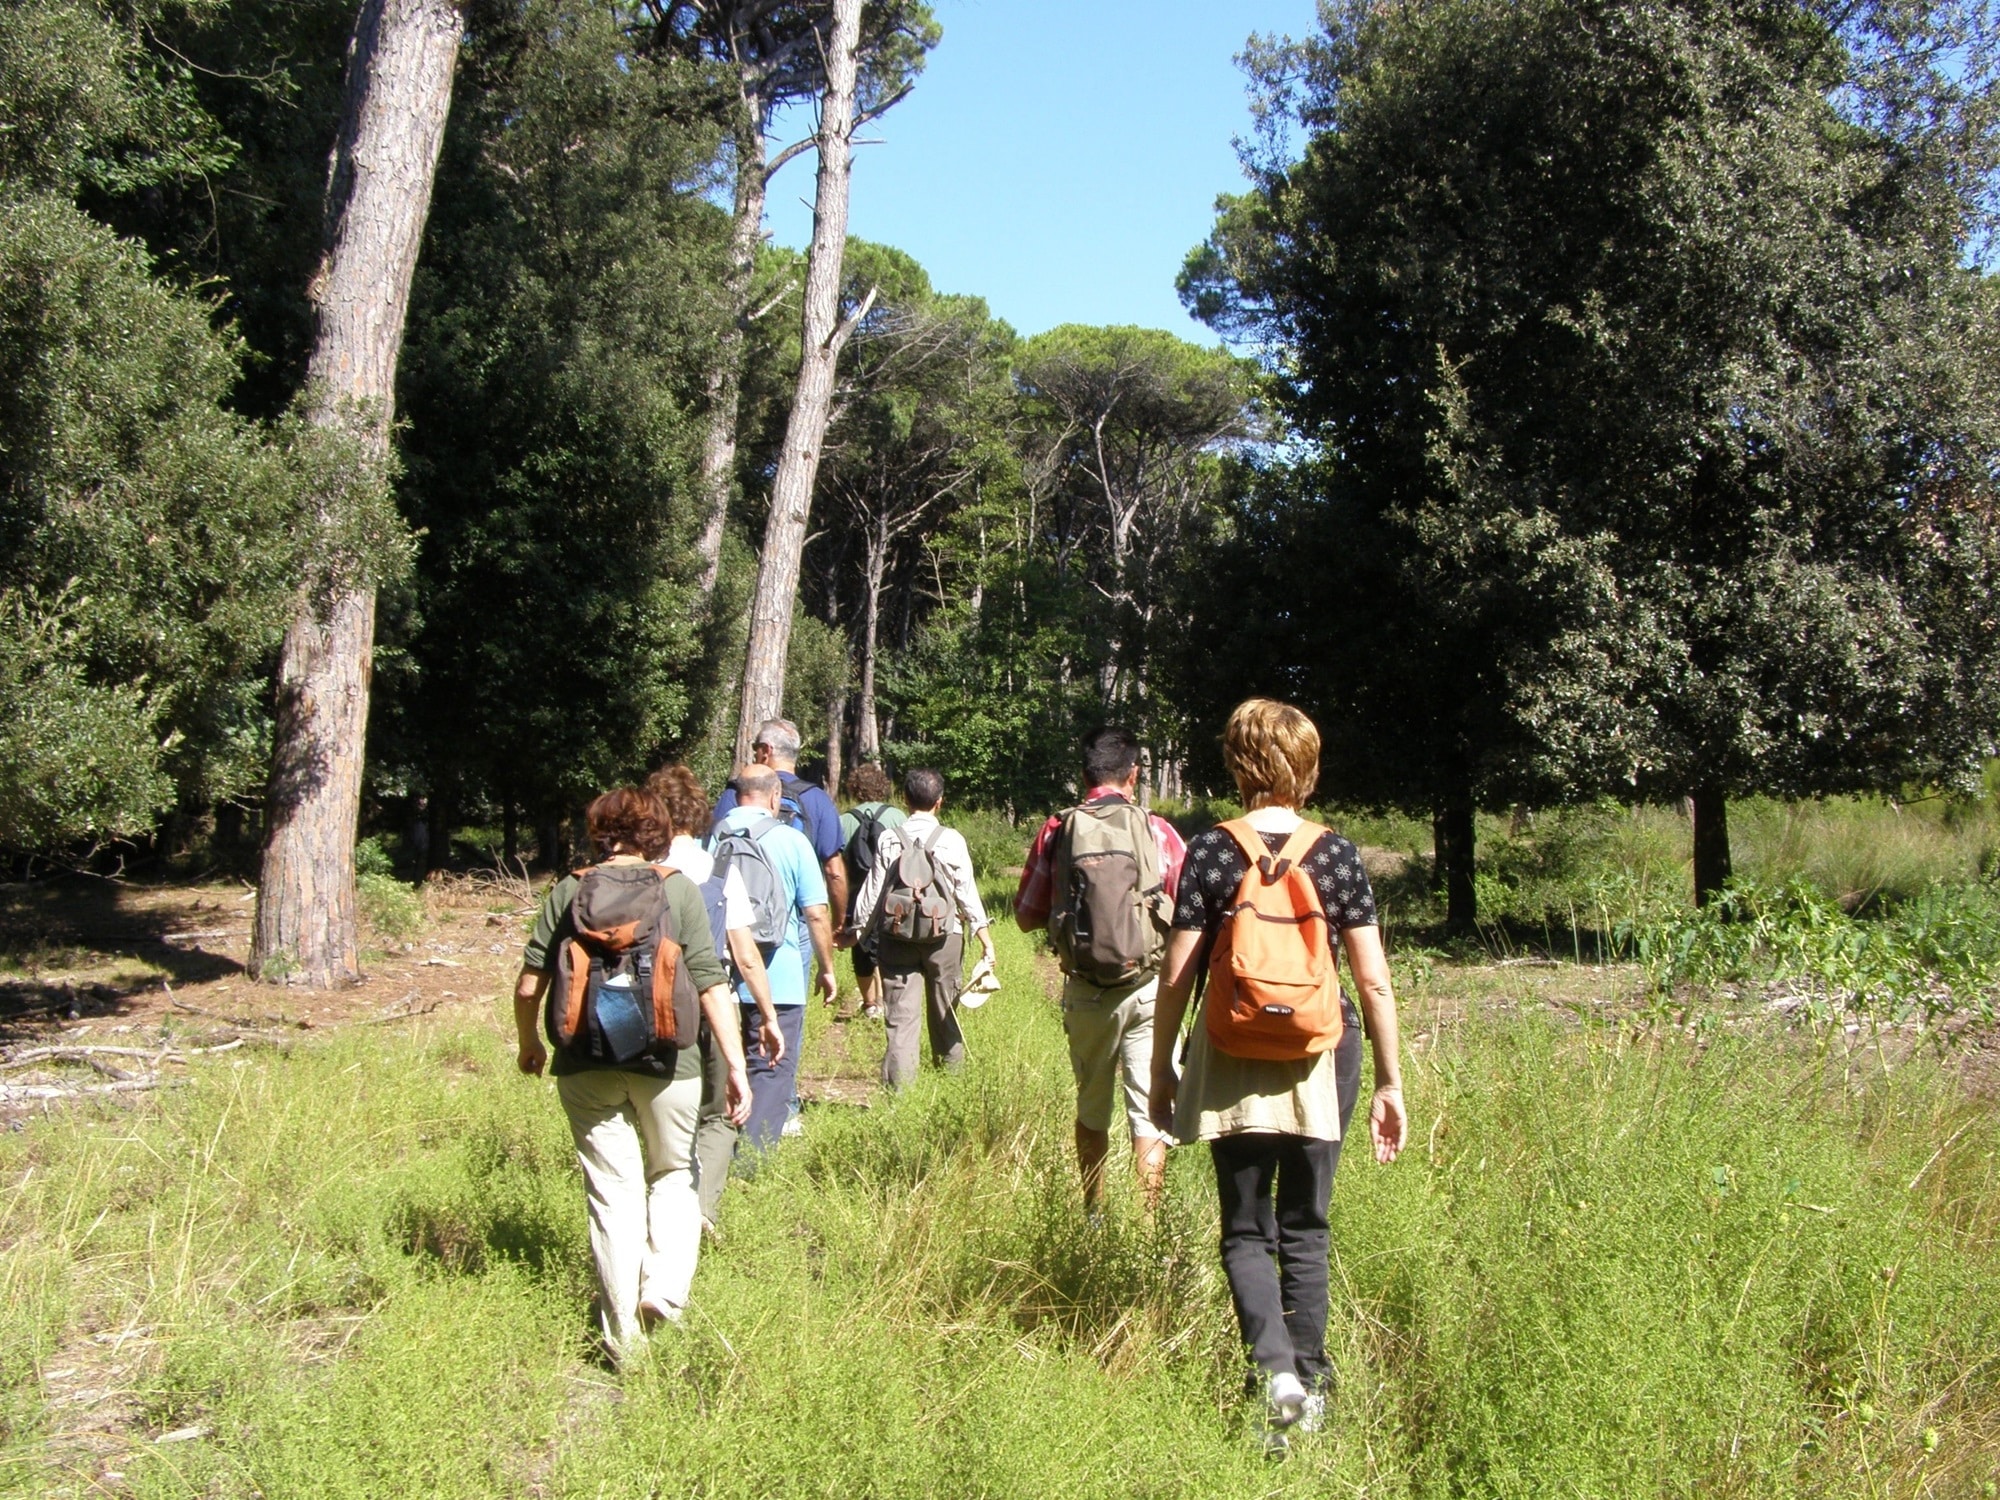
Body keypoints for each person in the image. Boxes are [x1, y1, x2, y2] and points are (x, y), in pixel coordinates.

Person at [1147, 698, 1407, 1453]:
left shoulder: (1211, 851)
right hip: (1324, 1050)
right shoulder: (1337, 854)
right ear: (1307, 768)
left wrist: (1163, 1067)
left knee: (1244, 1227)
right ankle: (1310, 1387)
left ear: (1238, 764)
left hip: (1232, 1047)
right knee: (1306, 1224)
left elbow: (1177, 975)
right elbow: (1373, 979)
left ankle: (1275, 1376)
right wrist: (1390, 1082)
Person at [511, 787, 751, 1364]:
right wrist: (737, 1067)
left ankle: (623, 1338)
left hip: (584, 1062)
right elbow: (711, 984)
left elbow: (528, 984)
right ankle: (663, 1290)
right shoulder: (678, 889)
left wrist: (529, 1044)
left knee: (611, 1194)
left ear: (600, 833)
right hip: (669, 1063)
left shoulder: (569, 889)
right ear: (657, 834)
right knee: (673, 1174)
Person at [1015, 726, 1188, 1211]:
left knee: (1092, 1108)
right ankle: (1148, 1223)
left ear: (1084, 774)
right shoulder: (1158, 831)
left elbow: (1025, 915)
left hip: (1087, 991)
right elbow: (1188, 911)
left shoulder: (1058, 829)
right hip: (1150, 988)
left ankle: (1093, 1213)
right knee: (1149, 1111)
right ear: (1134, 774)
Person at [647, 764, 785, 1234]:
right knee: (721, 1113)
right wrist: (768, 1016)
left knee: (657, 1110)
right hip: (711, 1001)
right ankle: (701, 1209)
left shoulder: (638, 874)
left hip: (649, 1003)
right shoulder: (716, 869)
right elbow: (746, 957)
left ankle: (659, 1207)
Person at [711, 763, 838, 1148]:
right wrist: (827, 967)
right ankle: (753, 1160)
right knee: (770, 1065)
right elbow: (816, 912)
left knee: (723, 1065)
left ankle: (717, 1150)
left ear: (737, 796)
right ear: (775, 796)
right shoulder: (791, 840)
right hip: (778, 973)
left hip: (719, 974)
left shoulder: (713, 838)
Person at [848, 767, 996, 1089]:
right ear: (940, 801)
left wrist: (857, 931)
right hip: (944, 937)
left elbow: (873, 892)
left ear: (905, 799)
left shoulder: (890, 838)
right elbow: (966, 893)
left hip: (896, 936)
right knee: (946, 1015)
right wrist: (984, 939)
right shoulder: (952, 840)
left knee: (900, 1021)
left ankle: (900, 1097)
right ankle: (951, 1089)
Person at [711, 718, 849, 930]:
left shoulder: (737, 793)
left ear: (766, 751)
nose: (754, 754)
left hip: (739, 917)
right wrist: (838, 922)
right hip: (794, 921)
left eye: (756, 748)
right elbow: (834, 872)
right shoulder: (818, 799)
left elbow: (714, 850)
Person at [836, 762, 905, 1021]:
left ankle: (869, 1004)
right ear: (882, 787)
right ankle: (890, 1000)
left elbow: (836, 865)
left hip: (856, 895)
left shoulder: (844, 820)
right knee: (892, 946)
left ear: (854, 789)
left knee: (861, 948)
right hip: (893, 894)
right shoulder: (897, 817)